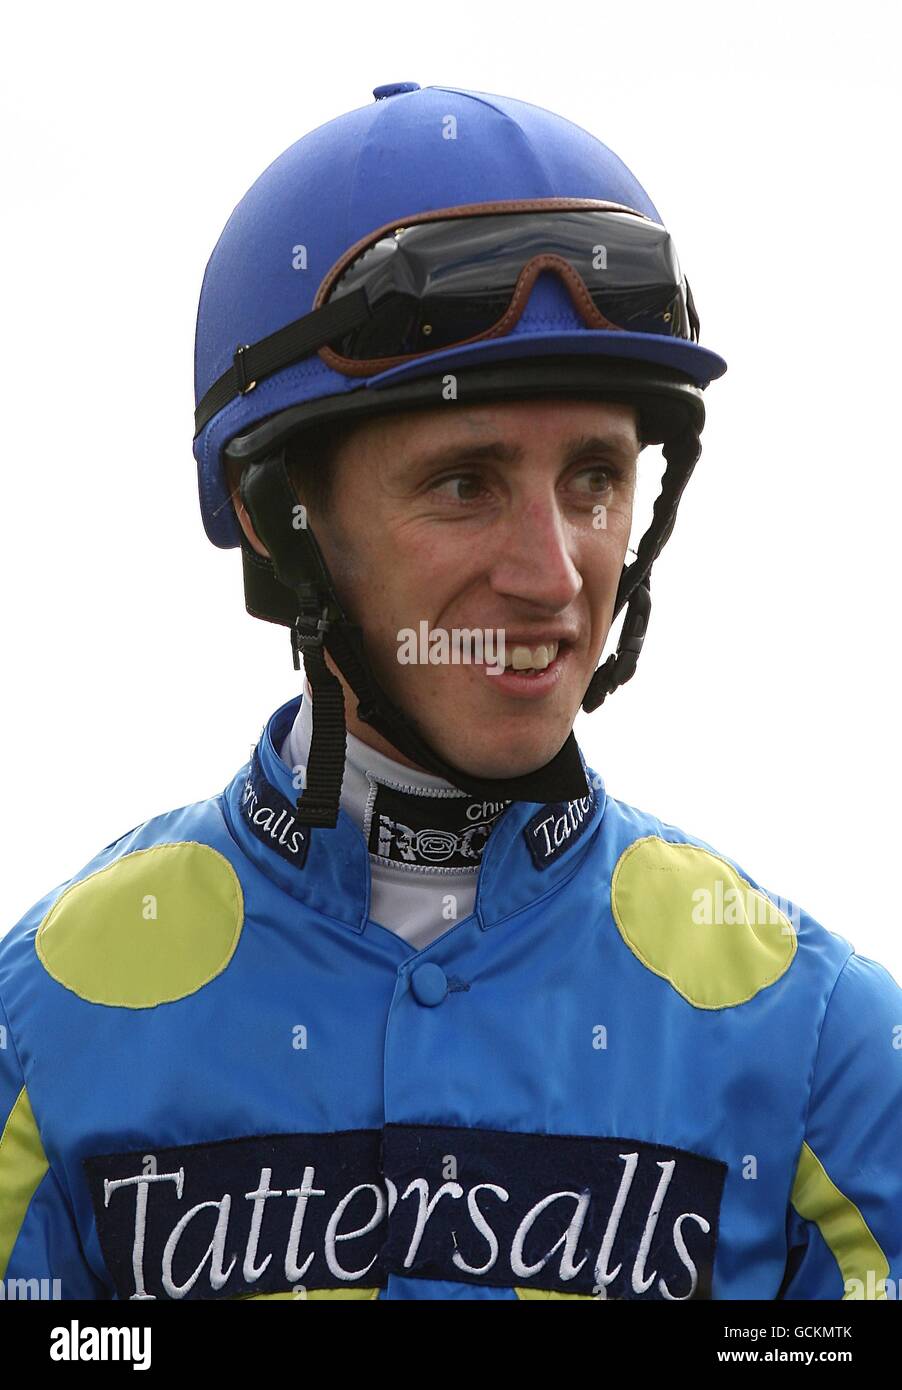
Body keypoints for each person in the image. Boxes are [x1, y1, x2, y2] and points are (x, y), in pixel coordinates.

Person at [0, 81, 899, 1304]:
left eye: (593, 478)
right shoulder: (35, 1035)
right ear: (278, 522)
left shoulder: (829, 1045)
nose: (552, 573)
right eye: (465, 483)